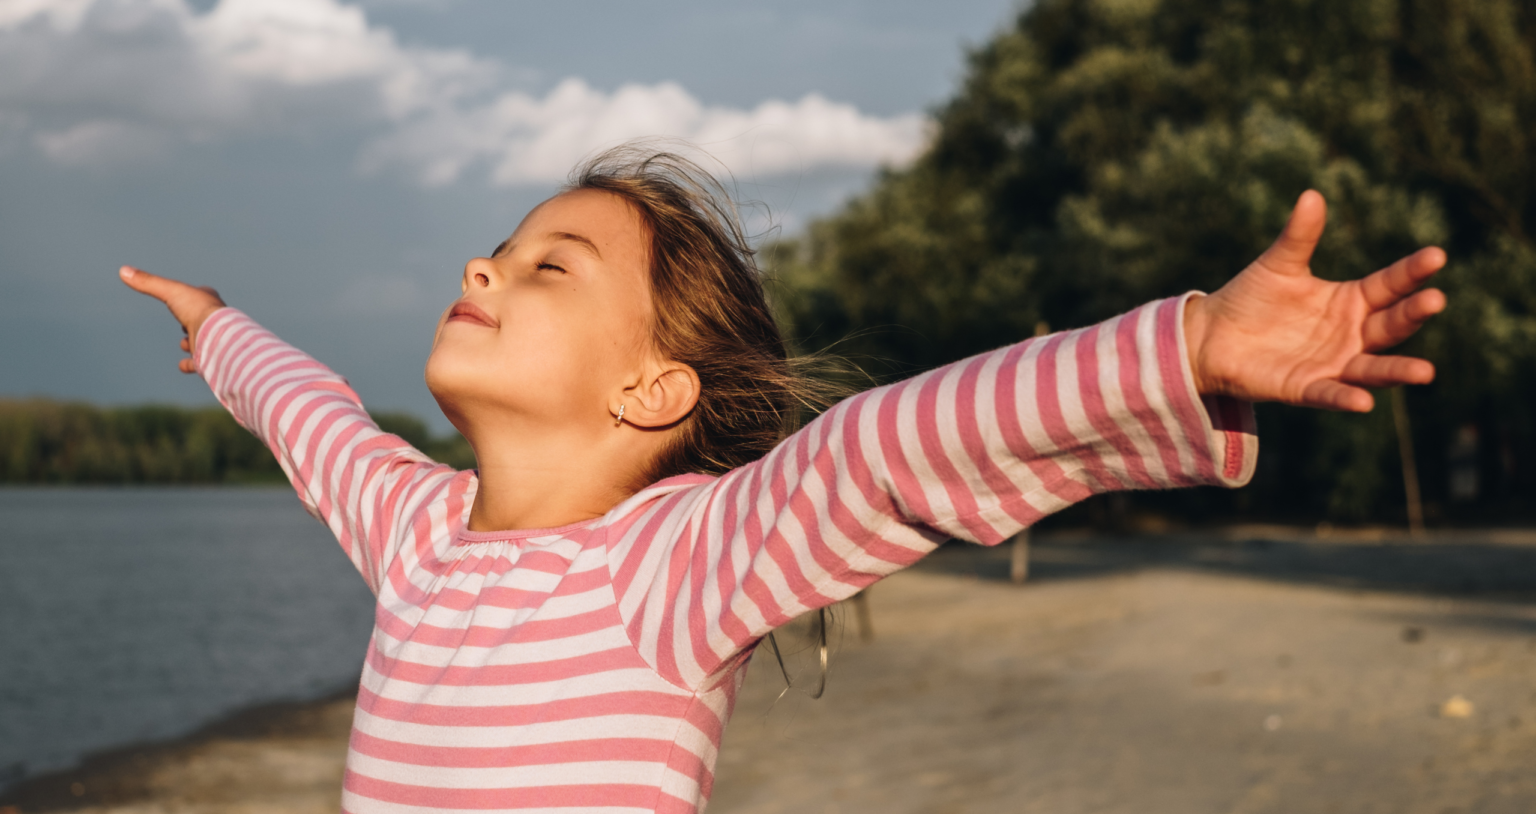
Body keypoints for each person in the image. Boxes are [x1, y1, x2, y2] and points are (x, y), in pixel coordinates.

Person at [121, 147, 1446, 813]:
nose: (484, 270)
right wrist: (216, 327)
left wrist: (1187, 343)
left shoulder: (676, 563)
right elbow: (312, 419)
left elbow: (892, 451)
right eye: (498, 251)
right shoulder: (415, 529)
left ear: (654, 390)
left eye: (548, 265)